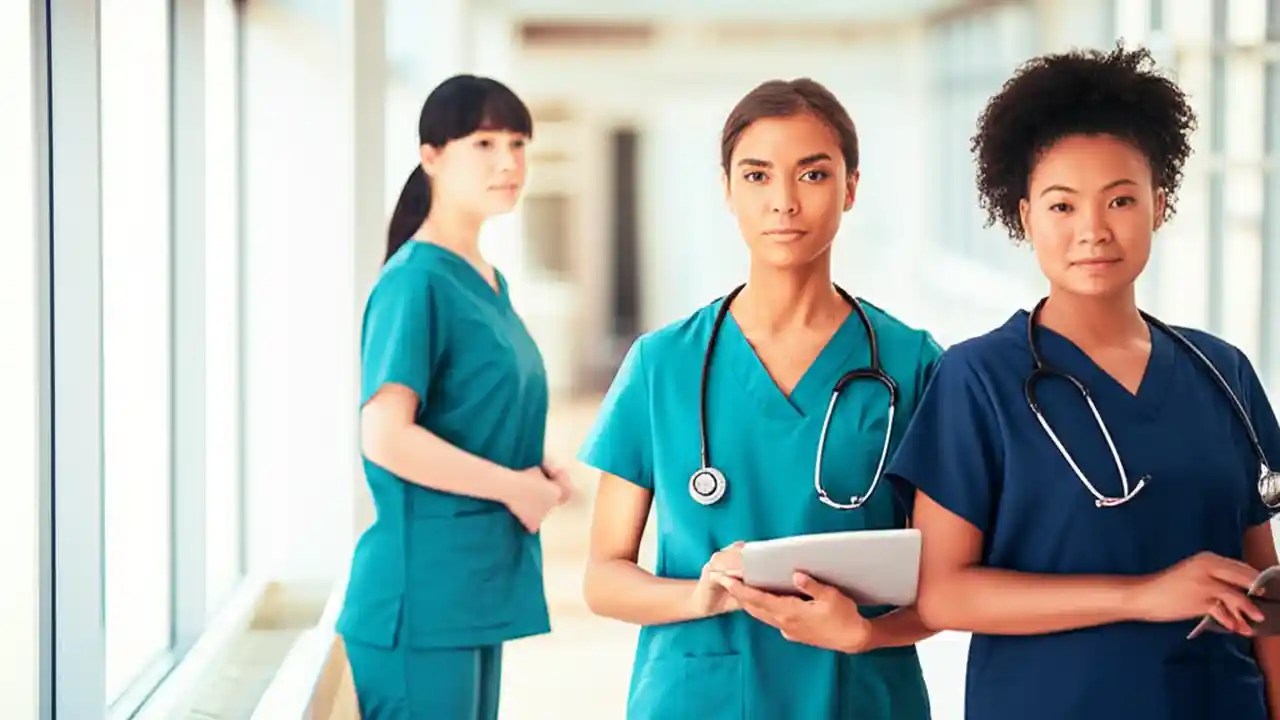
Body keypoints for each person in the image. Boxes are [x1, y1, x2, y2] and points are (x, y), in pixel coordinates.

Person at [884, 45, 1280, 720]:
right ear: (1025, 216)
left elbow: (1264, 594)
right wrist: (1141, 594)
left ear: (1160, 204)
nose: (1093, 231)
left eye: (1120, 199)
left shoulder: (1222, 371)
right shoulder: (978, 378)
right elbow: (943, 595)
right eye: (1063, 207)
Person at [578, 78, 941, 720]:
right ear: (726, 190)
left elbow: (950, 585)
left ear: (851, 187)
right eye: (756, 176)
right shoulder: (662, 365)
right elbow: (603, 575)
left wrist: (865, 631)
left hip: (857, 695)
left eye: (812, 175)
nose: (783, 203)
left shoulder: (911, 364)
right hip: (699, 697)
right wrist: (700, 597)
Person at [336, 74, 572, 720]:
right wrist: (511, 486)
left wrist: (533, 467)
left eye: (519, 143)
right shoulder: (415, 282)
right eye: (485, 142)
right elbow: (384, 435)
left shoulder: (487, 280)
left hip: (473, 591)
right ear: (431, 156)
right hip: (421, 595)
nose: (508, 162)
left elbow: (469, 413)